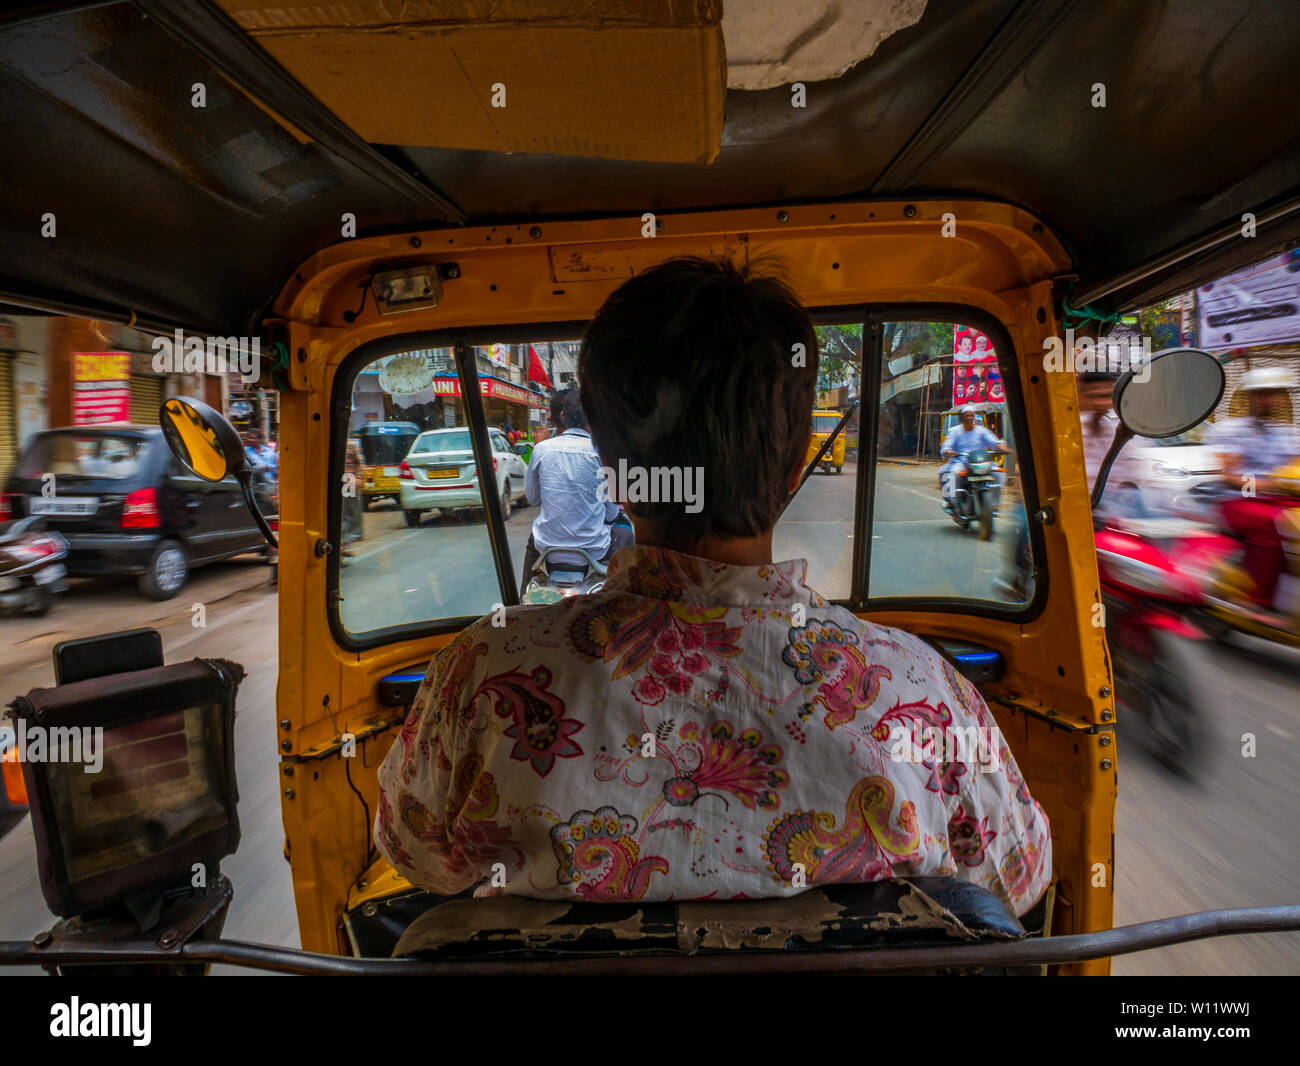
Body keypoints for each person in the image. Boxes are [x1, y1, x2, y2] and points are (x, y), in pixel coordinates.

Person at [375, 256, 1050, 915]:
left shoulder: (483, 673)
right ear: (793, 472)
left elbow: (415, 856)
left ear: (611, 473)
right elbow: (1019, 881)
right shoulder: (924, 694)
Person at [1204, 368, 1299, 610]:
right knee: (1275, 523)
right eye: (1262, 394)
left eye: (1272, 394)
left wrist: (1285, 485)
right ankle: (1257, 600)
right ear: (1251, 398)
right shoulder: (1232, 430)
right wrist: (1270, 486)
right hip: (1238, 501)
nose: (1267, 400)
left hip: (1279, 500)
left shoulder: (1287, 434)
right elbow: (1231, 477)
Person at [518, 389, 633, 589]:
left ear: (563, 416)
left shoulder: (541, 449)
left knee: (532, 542)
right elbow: (612, 512)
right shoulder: (601, 452)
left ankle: (521, 600)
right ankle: (625, 598)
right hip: (595, 550)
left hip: (547, 548)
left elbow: (533, 499)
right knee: (625, 535)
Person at [939, 405, 1010, 514]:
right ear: (962, 418)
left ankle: (994, 506)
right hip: (961, 462)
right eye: (966, 416)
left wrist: (1004, 448)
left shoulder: (981, 431)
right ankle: (953, 502)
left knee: (999, 474)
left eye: (971, 415)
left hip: (981, 462)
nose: (969, 418)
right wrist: (950, 452)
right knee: (952, 474)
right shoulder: (954, 431)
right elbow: (946, 448)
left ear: (974, 417)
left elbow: (994, 443)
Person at [341, 434, 364, 560]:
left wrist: (358, 478)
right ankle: (343, 545)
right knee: (342, 515)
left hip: (349, 481)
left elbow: (360, 463)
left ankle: (346, 542)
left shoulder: (352, 446)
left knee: (353, 514)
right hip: (337, 483)